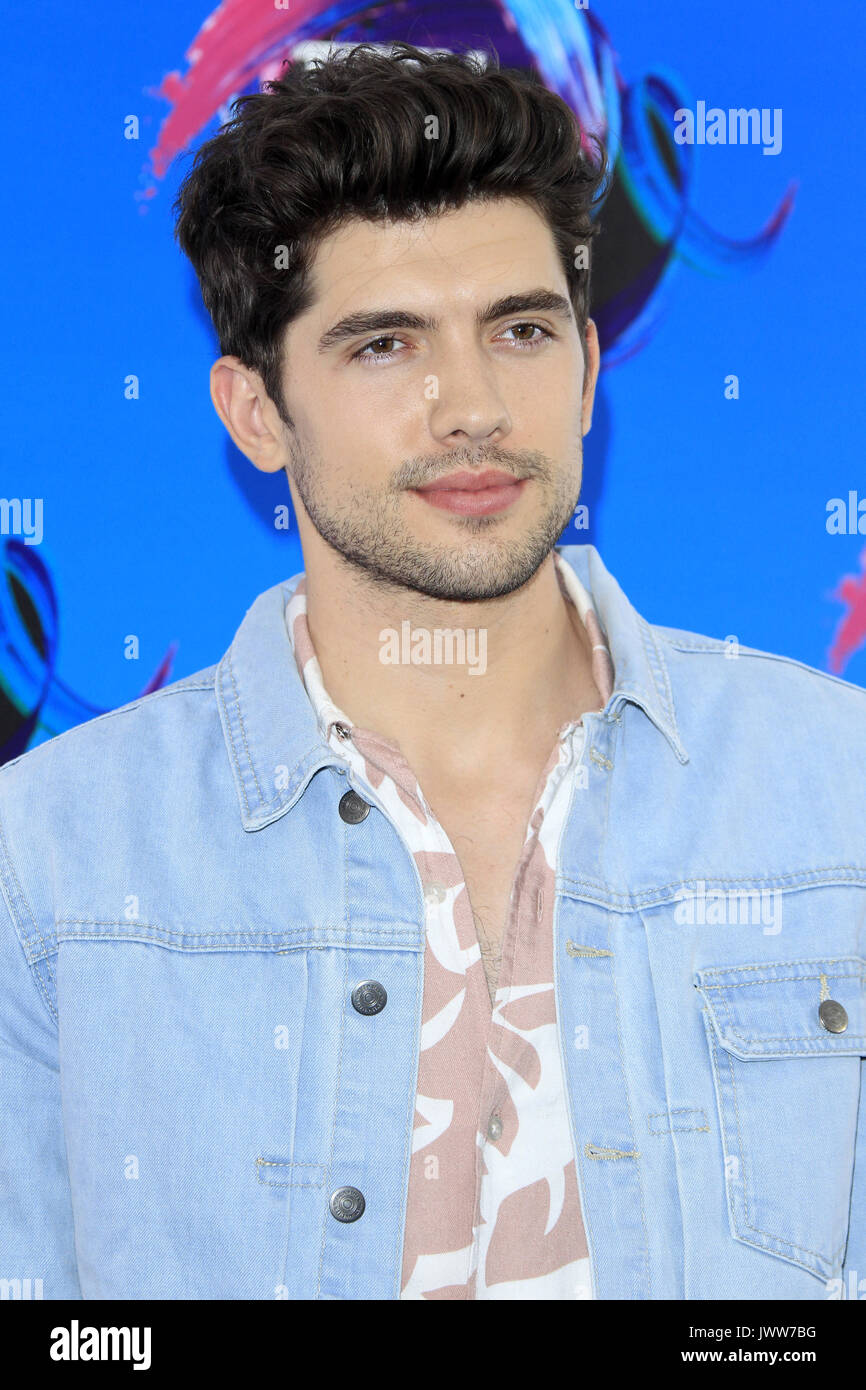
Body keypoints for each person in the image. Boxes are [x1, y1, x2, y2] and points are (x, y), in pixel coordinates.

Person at [1, 41, 863, 1302]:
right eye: (382, 345)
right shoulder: (51, 856)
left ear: (584, 370)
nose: (469, 403)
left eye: (519, 328)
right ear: (253, 414)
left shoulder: (835, 793)